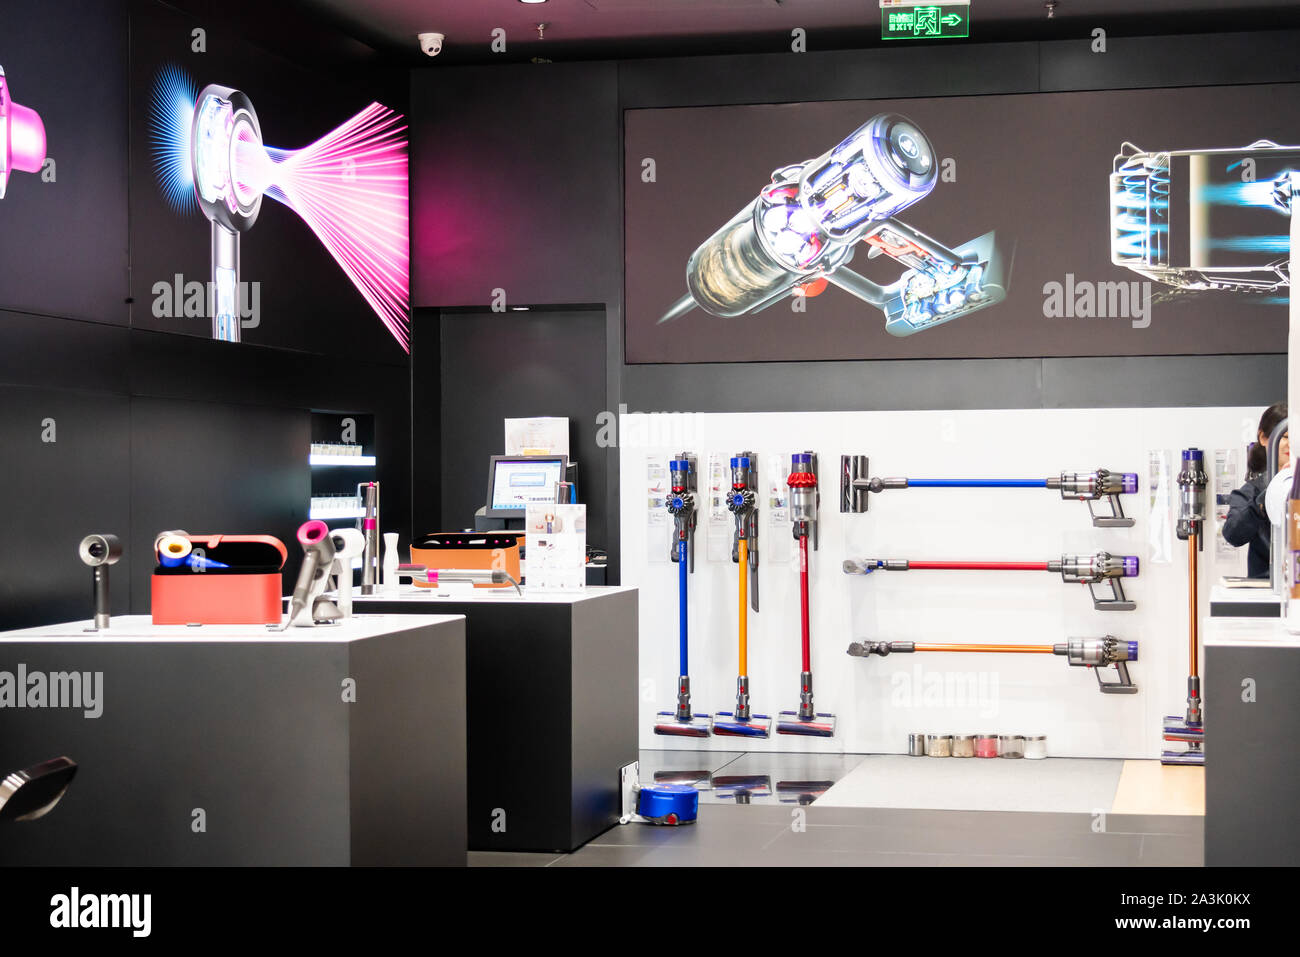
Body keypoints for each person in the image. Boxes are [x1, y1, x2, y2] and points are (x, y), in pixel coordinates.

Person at [1223, 402, 1288, 578]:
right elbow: (1233, 534)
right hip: (1266, 589)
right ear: (1264, 438)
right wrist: (1266, 498)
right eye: (1285, 437)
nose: (1291, 444)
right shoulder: (1252, 490)